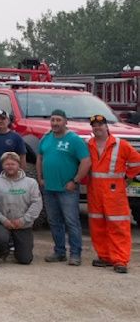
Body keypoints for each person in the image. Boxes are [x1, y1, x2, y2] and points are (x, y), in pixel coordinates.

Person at [85, 114, 140, 273]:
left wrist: (127, 176)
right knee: (98, 225)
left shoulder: (120, 145)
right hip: (95, 191)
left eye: (100, 125)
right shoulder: (89, 144)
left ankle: (120, 260)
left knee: (118, 226)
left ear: (106, 127)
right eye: (94, 125)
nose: (97, 128)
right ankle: (104, 256)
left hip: (114, 192)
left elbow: (137, 162)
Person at [37, 109, 90, 266]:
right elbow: (40, 157)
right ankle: (59, 252)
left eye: (58, 120)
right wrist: (40, 178)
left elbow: (86, 161)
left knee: (71, 221)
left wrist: (75, 180)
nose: (55, 123)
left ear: (66, 121)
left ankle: (75, 254)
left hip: (67, 189)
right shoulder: (46, 138)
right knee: (54, 221)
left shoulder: (74, 140)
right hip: (49, 188)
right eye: (52, 120)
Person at [0, 152, 42, 265]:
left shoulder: (31, 183)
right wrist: (3, 220)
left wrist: (23, 220)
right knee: (0, 236)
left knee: (25, 259)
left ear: (19, 165)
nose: (10, 166)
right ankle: (3, 251)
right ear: (2, 165)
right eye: (7, 164)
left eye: (13, 164)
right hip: (2, 223)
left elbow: (36, 204)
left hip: (23, 224)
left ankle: (18, 250)